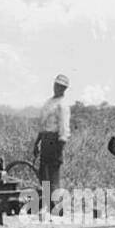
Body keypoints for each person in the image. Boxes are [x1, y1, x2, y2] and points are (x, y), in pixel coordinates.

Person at [33, 74, 71, 214]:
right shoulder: (49, 102)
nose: (57, 88)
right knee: (44, 174)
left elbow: (64, 128)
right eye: (56, 85)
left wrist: (60, 147)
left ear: (64, 89)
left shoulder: (63, 105)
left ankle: (57, 207)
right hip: (46, 139)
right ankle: (48, 205)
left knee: (54, 174)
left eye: (61, 86)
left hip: (56, 140)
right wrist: (37, 142)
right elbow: (43, 125)